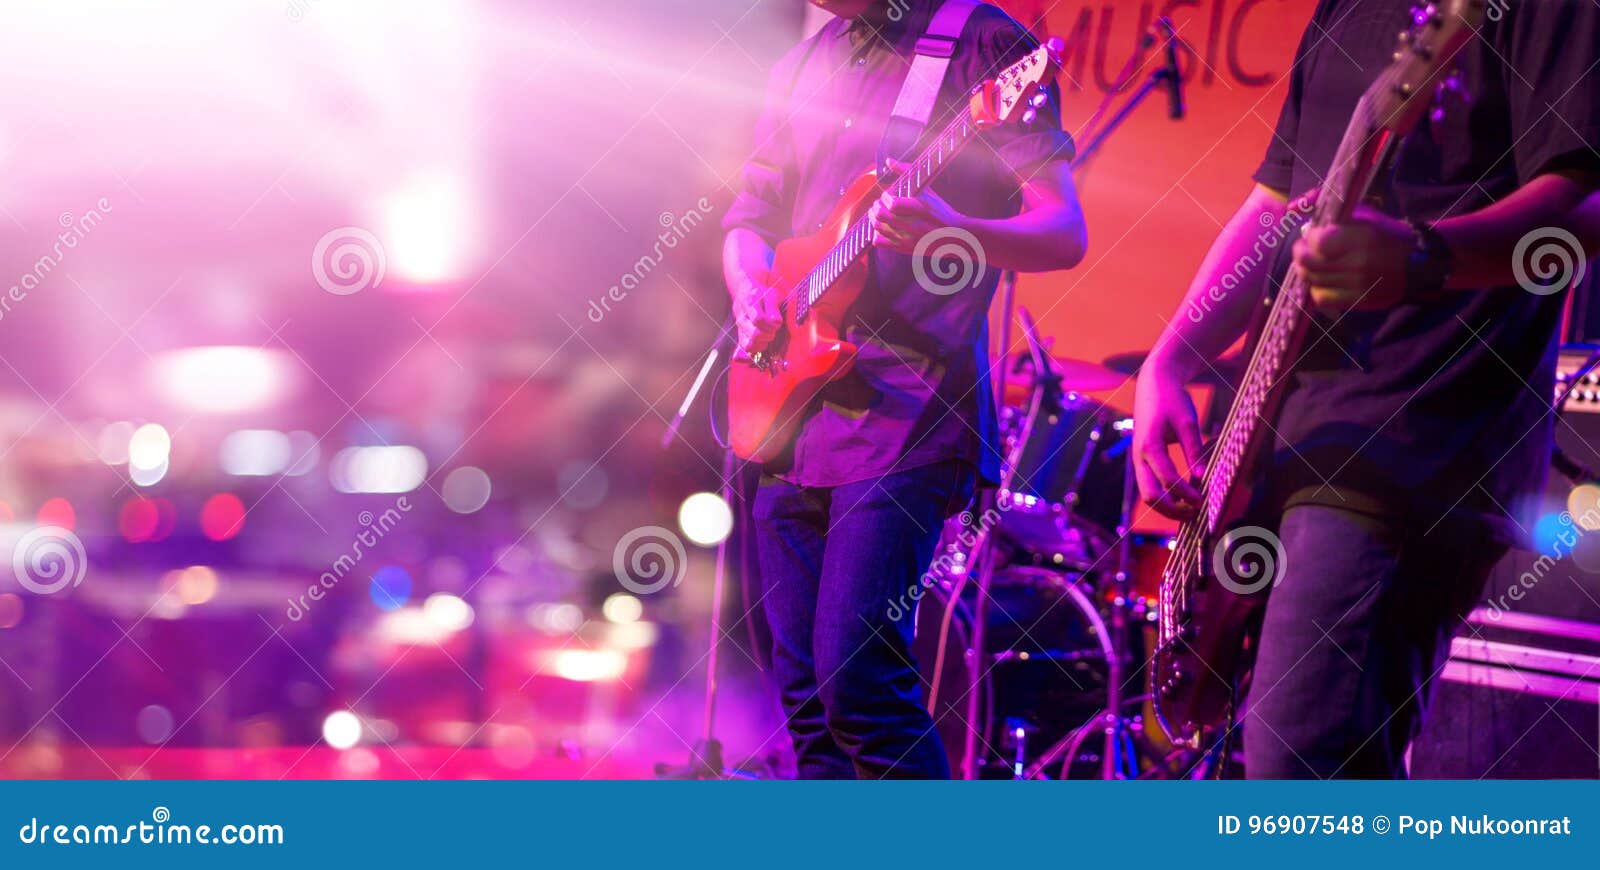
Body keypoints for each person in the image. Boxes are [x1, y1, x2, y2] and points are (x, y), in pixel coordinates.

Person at [1132, 0, 1600, 778]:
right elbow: (1276, 202)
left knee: (1303, 765)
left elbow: (1584, 207)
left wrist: (1423, 258)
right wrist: (1172, 357)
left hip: (1414, 435)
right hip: (1281, 434)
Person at [721, 0, 1086, 778]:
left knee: (858, 683)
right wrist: (749, 286)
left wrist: (955, 231)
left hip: (909, 407)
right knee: (807, 706)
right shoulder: (801, 65)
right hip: (793, 410)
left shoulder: (981, 40)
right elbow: (750, 218)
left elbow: (1064, 233)